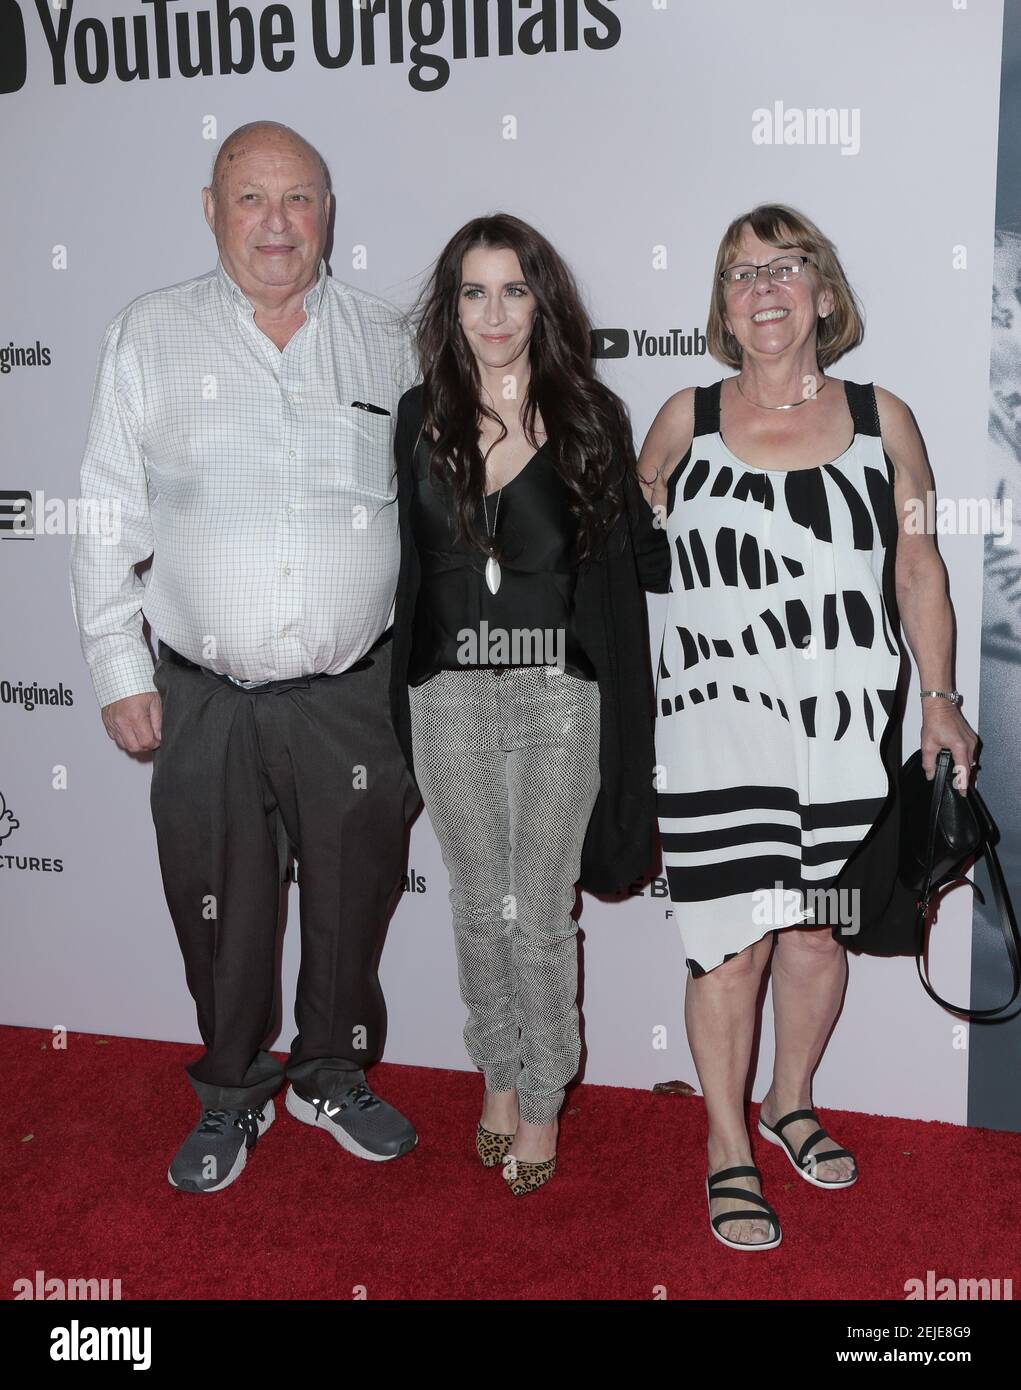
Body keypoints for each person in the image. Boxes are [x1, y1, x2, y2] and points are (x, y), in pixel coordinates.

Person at [69, 121, 421, 1193]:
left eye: (300, 199)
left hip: (356, 696)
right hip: (204, 694)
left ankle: (328, 1069)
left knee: (355, 896)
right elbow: (101, 517)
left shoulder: (391, 339)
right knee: (218, 902)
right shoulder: (149, 334)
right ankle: (231, 1089)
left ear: (328, 211)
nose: (277, 223)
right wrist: (120, 669)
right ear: (212, 209)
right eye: (252, 199)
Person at [638, 203, 978, 1249]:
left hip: (842, 739)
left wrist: (937, 695)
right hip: (711, 739)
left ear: (823, 293)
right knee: (725, 953)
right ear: (722, 306)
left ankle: (790, 1100)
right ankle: (726, 1147)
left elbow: (916, 566)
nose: (764, 288)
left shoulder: (884, 420)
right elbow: (614, 556)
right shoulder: (681, 420)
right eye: (741, 273)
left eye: (784, 268)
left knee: (816, 934)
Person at [389, 213, 670, 1196]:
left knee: (539, 914)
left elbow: (638, 553)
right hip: (448, 696)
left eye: (513, 289)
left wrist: (711, 505)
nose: (494, 311)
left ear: (541, 300)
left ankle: (544, 1097)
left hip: (560, 694)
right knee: (477, 907)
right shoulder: (417, 412)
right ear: (451, 305)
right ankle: (497, 1079)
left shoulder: (593, 413)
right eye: (473, 290)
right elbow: (409, 569)